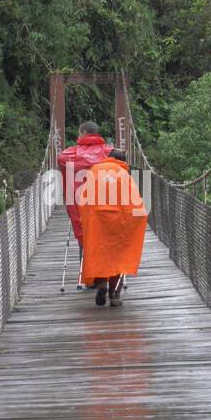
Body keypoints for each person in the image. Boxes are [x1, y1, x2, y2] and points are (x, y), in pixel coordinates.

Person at [78, 149, 147, 307]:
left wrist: (85, 218)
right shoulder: (124, 175)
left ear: (109, 158)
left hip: (97, 221)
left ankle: (101, 284)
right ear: (123, 161)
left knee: (100, 253)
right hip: (119, 222)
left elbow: (84, 199)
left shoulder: (94, 170)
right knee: (120, 255)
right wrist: (138, 219)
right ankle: (114, 294)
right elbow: (135, 202)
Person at [57, 121, 113, 256]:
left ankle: (86, 271)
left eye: (78, 133)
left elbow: (61, 159)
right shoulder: (111, 152)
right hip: (105, 203)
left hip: (80, 204)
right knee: (106, 235)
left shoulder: (70, 154)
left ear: (84, 133)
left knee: (84, 238)